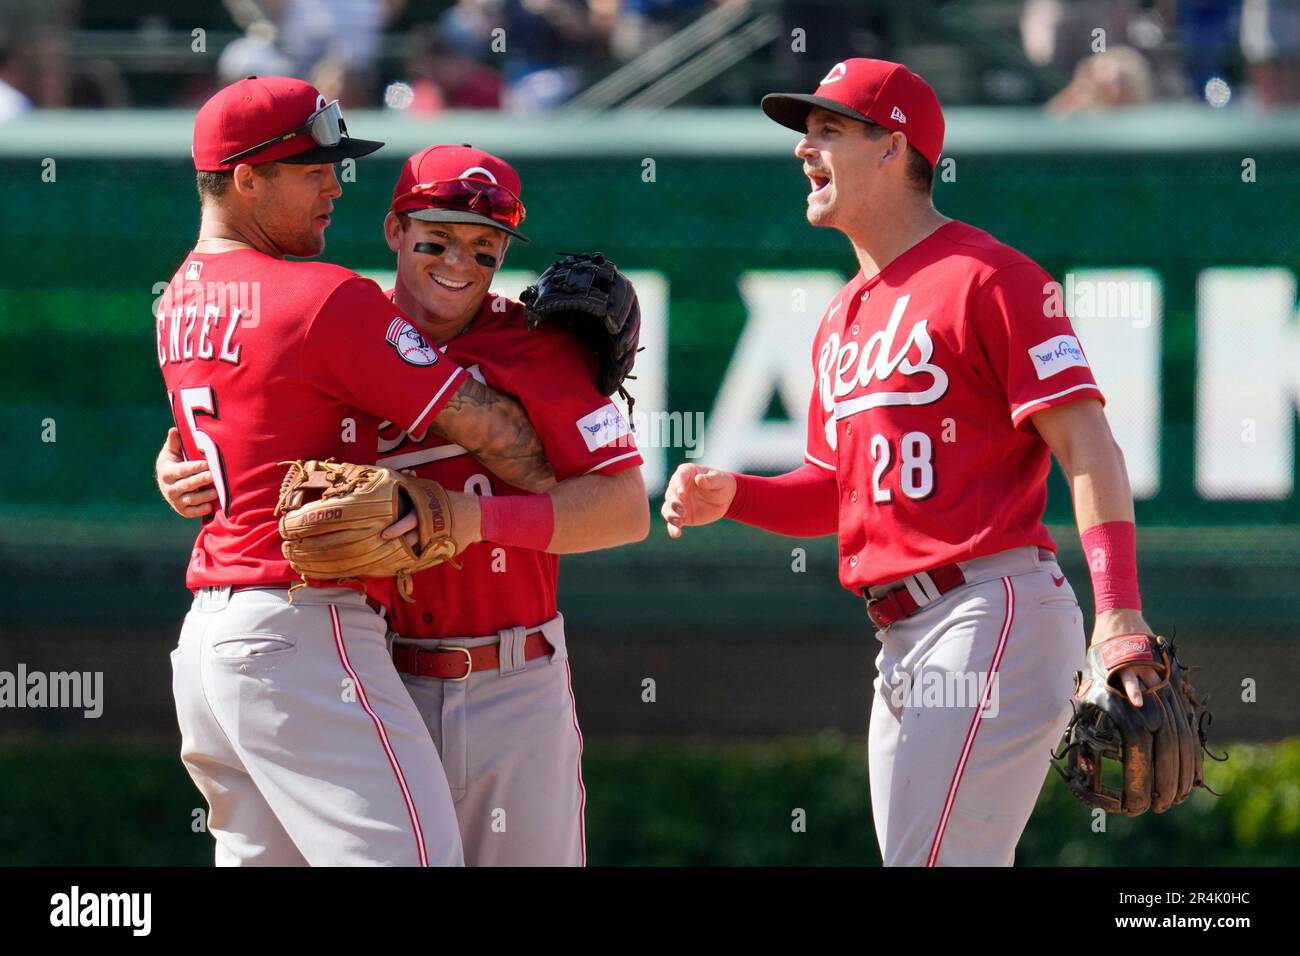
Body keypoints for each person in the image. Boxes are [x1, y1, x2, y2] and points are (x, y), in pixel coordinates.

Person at [660, 58, 1162, 866]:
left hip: (988, 607)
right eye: (806, 132)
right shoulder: (841, 318)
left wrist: (1119, 612)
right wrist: (736, 495)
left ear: (893, 148)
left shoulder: (990, 278)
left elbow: (1088, 443)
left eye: (829, 130)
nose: (803, 149)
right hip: (902, 637)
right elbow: (834, 490)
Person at [158, 143, 649, 865]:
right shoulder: (345, 334)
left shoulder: (536, 348)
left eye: (485, 248)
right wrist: (175, 469)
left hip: (513, 680)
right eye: (439, 238)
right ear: (394, 230)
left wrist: (479, 520)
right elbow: (239, 438)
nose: (461, 262)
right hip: (380, 676)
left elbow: (624, 510)